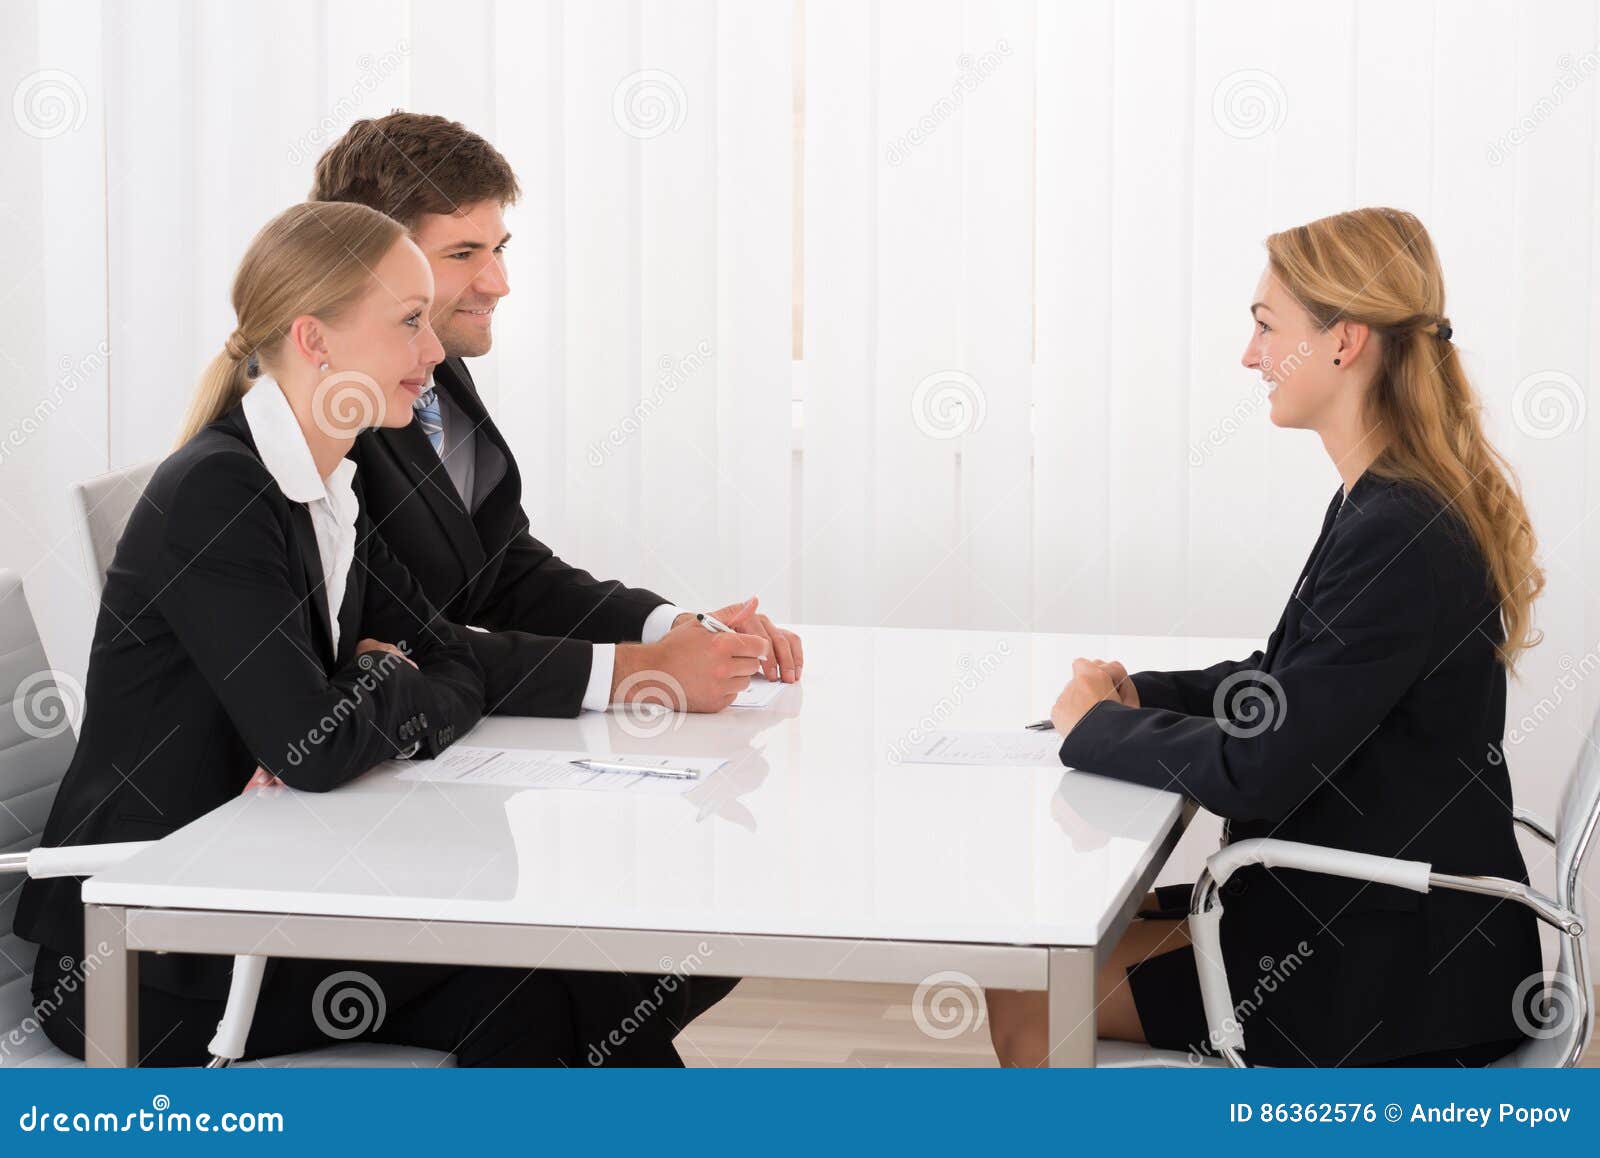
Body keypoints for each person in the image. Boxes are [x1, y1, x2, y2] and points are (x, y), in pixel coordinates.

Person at [17, 201, 720, 1066]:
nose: (433, 353)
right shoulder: (222, 493)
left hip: (261, 899)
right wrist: (374, 683)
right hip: (152, 965)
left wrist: (366, 691)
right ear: (316, 340)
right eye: (409, 323)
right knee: (565, 984)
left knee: (601, 978)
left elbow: (454, 657)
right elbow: (315, 749)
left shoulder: (332, 487)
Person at [986, 207, 1545, 1067]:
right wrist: (1147, 694)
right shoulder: (1389, 498)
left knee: (1028, 1000)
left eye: (1264, 326)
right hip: (1364, 912)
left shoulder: (1399, 525)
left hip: (1387, 970)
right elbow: (1292, 682)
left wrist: (1092, 727)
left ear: (1343, 341)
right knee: (1038, 950)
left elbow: (1265, 762)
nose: (1250, 357)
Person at [309, 112, 802, 722]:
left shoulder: (437, 374)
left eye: (499, 250)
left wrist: (677, 630)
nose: (498, 284)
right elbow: (387, 637)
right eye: (464, 253)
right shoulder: (320, 416)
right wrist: (638, 673)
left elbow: (503, 571)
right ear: (366, 261)